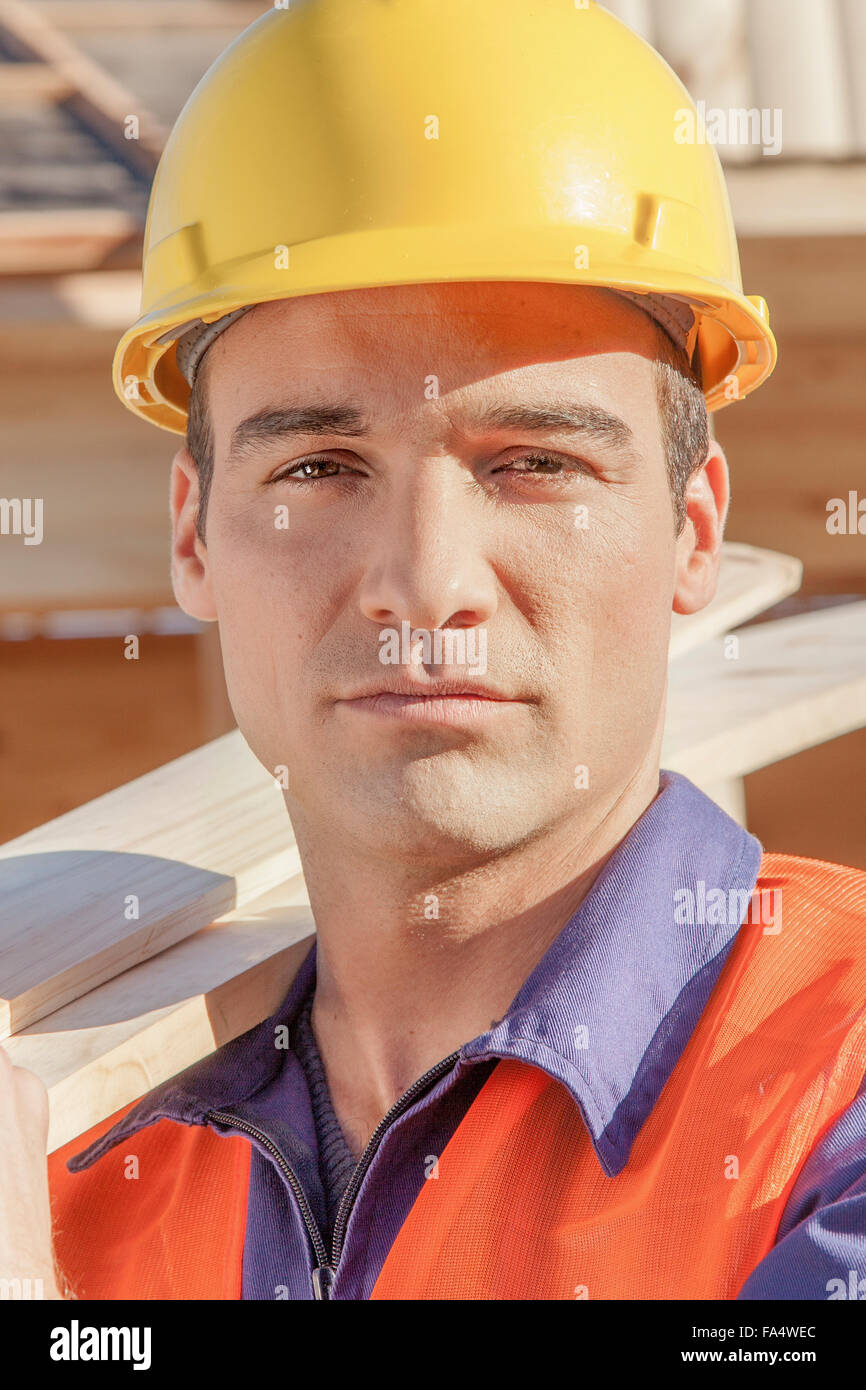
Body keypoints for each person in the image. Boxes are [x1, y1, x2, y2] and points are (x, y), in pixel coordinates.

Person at [3, 0, 864, 1301]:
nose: (424, 585)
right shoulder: (80, 1175)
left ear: (692, 532)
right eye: (320, 465)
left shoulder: (834, 1082)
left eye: (534, 462)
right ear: (193, 539)